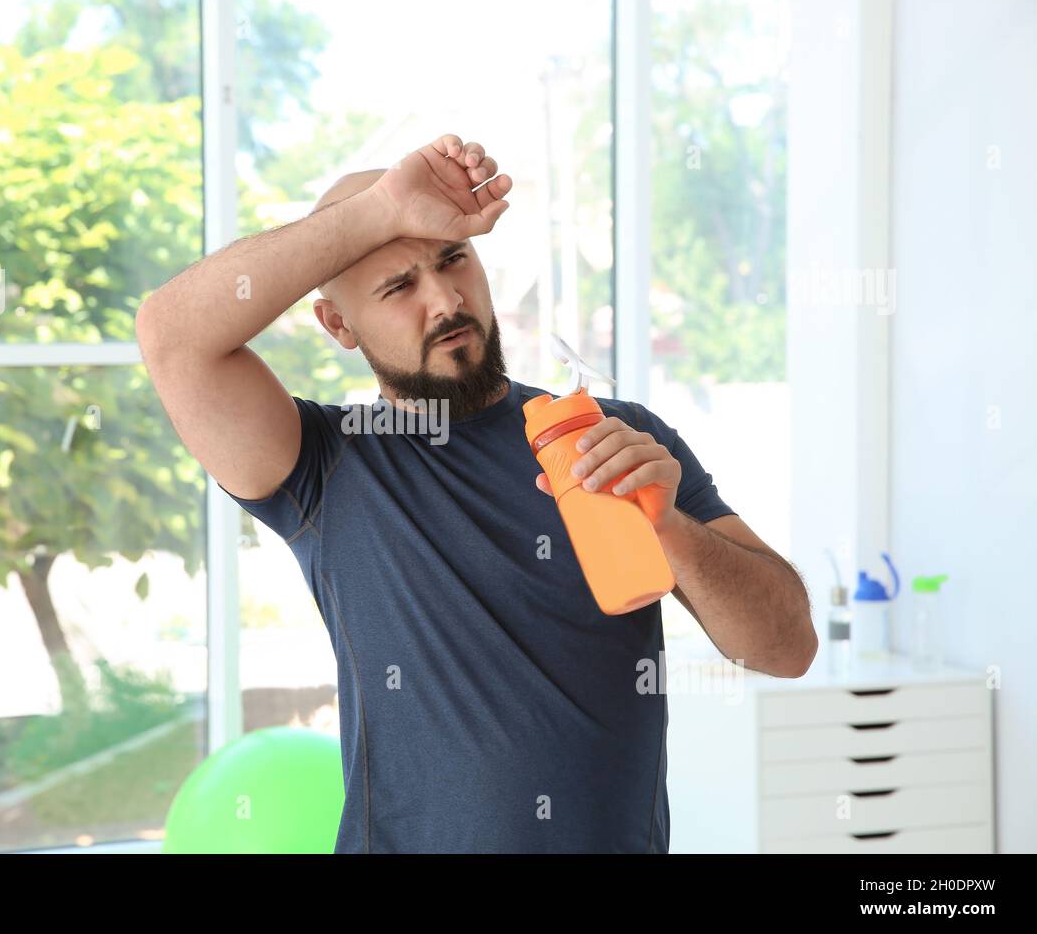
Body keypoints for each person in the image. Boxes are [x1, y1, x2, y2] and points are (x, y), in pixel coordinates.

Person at [136, 133, 815, 853]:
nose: (445, 300)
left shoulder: (617, 436)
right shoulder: (323, 464)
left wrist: (669, 526)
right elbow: (171, 336)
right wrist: (381, 209)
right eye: (399, 287)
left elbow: (786, 647)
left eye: (452, 260)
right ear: (338, 324)